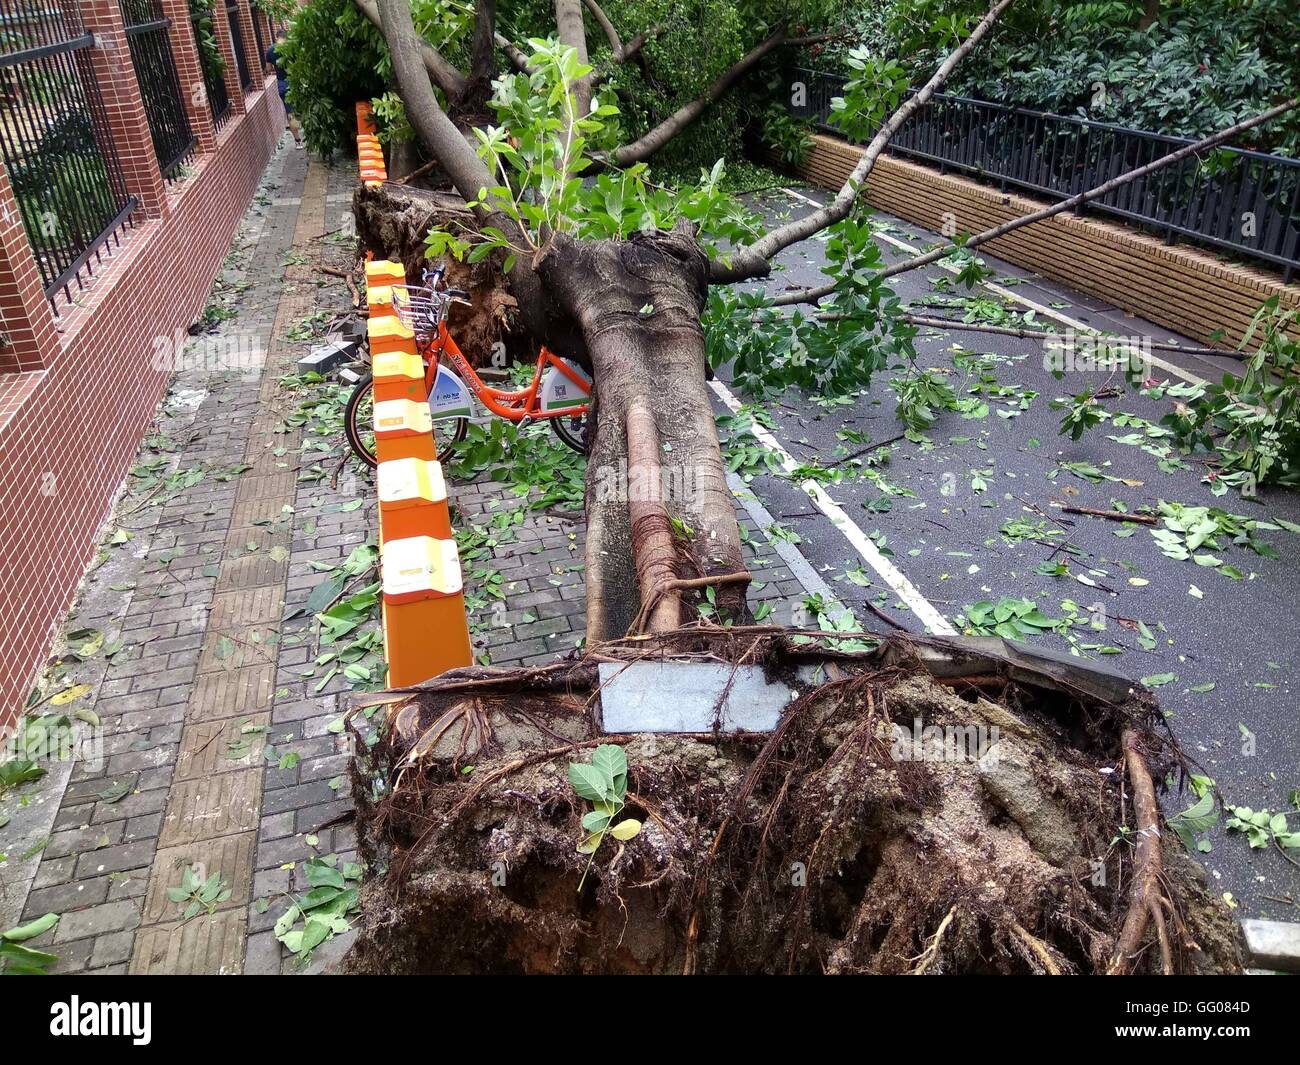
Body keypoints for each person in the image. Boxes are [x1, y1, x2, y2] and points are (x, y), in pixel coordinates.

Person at [265, 28, 302, 147]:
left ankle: (298, 141)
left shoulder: (270, 50)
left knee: (290, 112)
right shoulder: (292, 47)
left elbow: (269, 69)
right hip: (296, 81)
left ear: (277, 37)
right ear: (286, 37)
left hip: (282, 83)